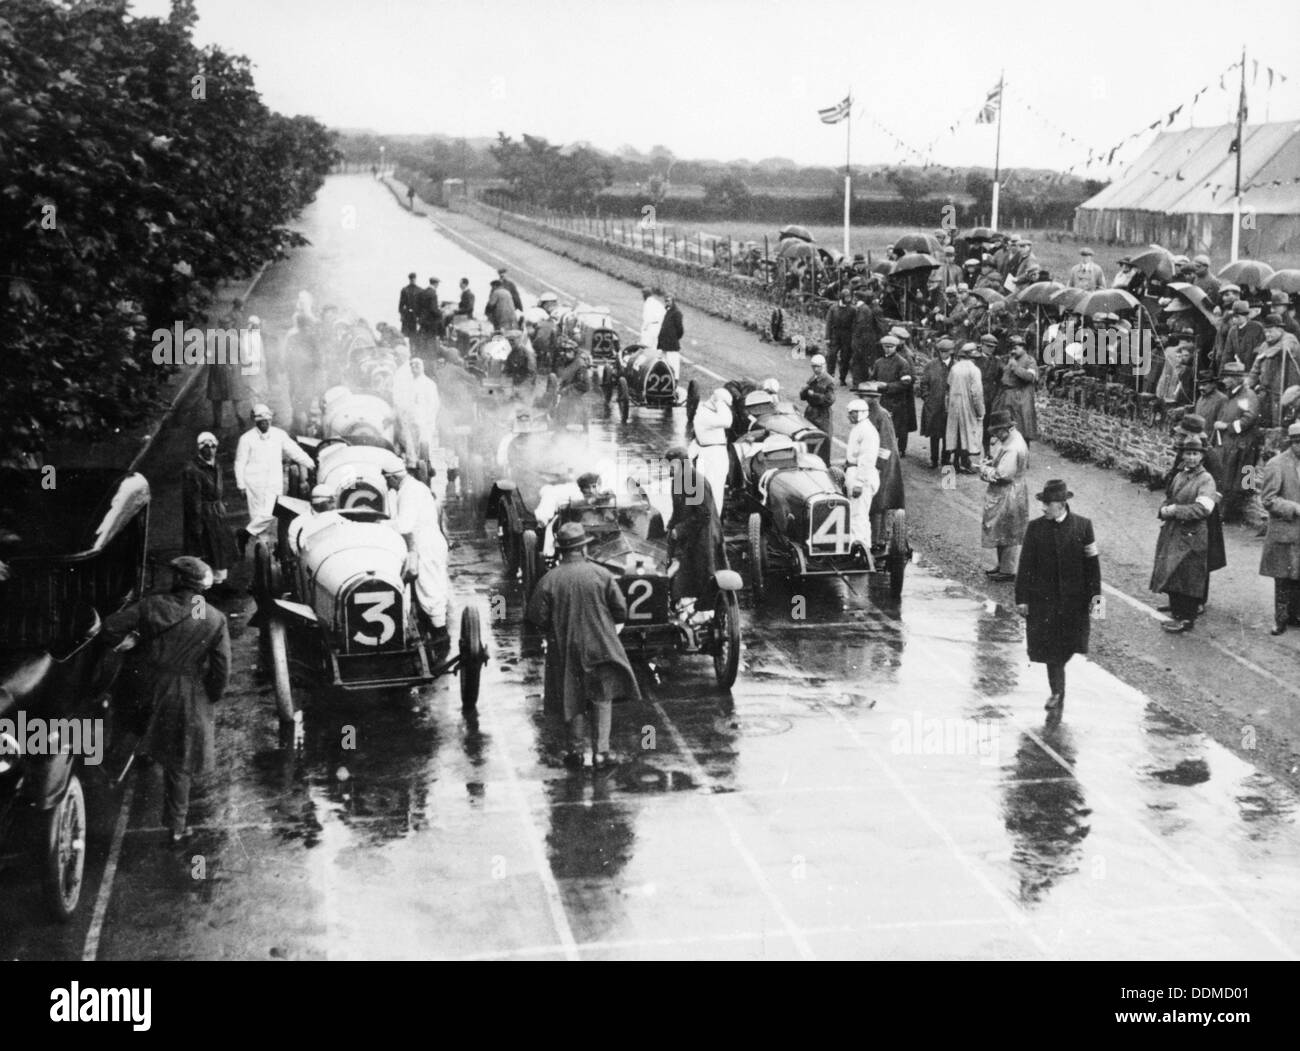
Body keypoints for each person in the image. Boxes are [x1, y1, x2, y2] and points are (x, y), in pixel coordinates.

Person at [104, 556, 230, 843]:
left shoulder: (151, 605)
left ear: (177, 581)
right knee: (179, 761)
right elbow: (222, 669)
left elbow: (110, 628)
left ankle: (110, 776)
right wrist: (209, 695)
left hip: (144, 684)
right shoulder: (213, 617)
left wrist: (133, 641)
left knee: (131, 730)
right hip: (185, 691)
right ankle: (175, 827)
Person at [527, 522, 641, 768]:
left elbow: (536, 617)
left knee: (572, 697)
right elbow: (621, 611)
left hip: (565, 648)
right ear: (584, 549)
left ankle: (575, 752)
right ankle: (601, 753)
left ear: (561, 551)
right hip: (600, 645)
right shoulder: (601, 574)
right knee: (602, 696)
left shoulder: (549, 579)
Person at [1014, 480, 1102, 713]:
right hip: (1044, 602)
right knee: (1052, 651)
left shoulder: (1083, 527)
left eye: (1048, 504)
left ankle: (1058, 683)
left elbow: (1093, 568)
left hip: (1074, 603)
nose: (1043, 508)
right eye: (1043, 503)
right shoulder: (1035, 528)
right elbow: (1025, 566)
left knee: (1070, 647)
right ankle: (1057, 691)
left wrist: (1097, 603)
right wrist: (1021, 599)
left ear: (1061, 504)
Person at [1150, 434, 1218, 633]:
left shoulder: (1206, 479)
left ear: (1202, 456)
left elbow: (1204, 509)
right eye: (1187, 453)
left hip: (1192, 534)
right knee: (1172, 570)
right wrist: (1163, 510)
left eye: (1195, 454)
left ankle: (1186, 618)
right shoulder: (1180, 475)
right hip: (1174, 530)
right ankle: (1177, 610)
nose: (1191, 458)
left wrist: (1175, 511)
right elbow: (1169, 498)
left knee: (1189, 576)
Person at [382, 454, 451, 645]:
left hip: (425, 543)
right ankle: (435, 625)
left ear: (394, 477)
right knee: (433, 584)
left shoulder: (409, 492)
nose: (388, 485)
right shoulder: (414, 487)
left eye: (388, 480)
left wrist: (381, 524)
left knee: (430, 586)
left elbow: (404, 525)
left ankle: (440, 633)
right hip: (429, 541)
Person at [233, 404, 314, 546]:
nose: (265, 423)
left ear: (271, 420)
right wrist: (241, 485)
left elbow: (294, 451)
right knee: (257, 515)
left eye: (267, 420)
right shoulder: (246, 439)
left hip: (274, 481)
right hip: (254, 483)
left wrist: (310, 463)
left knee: (272, 511)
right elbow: (239, 463)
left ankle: (246, 533)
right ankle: (262, 547)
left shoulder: (279, 434)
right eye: (261, 420)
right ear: (255, 421)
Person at [664, 446, 724, 616]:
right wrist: (669, 527)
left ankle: (704, 615)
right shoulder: (678, 480)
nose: (668, 468)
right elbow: (678, 511)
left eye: (671, 464)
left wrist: (679, 530)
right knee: (681, 573)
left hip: (703, 536)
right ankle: (681, 608)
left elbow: (703, 515)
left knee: (702, 577)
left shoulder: (694, 481)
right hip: (690, 534)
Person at [182, 433, 239, 593]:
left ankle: (220, 583)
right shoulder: (192, 470)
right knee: (206, 550)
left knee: (220, 549)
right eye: (206, 447)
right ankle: (204, 591)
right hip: (204, 515)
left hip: (217, 512)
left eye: (213, 446)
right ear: (200, 448)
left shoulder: (216, 465)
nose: (210, 450)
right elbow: (193, 501)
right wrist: (197, 525)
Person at [1259, 422, 1300, 635]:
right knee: (1283, 577)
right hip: (1285, 530)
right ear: (1292, 443)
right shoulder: (1277, 464)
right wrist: (1295, 508)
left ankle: (1296, 615)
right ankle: (1281, 619)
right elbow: (1268, 499)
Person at [980, 410, 1029, 581]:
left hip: (1008, 493)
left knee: (1008, 531)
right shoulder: (1013, 439)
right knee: (1002, 529)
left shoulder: (1012, 448)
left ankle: (1008, 570)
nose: (996, 436)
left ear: (1005, 429)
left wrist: (984, 469)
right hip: (1013, 491)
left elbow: (1003, 475)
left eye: (997, 432)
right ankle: (1003, 566)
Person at [857, 382, 904, 552]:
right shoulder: (866, 414)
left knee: (880, 502)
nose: (861, 399)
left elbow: (886, 445)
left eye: (863, 396)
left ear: (873, 398)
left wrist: (877, 467)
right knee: (873, 502)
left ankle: (880, 539)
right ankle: (874, 538)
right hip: (872, 463)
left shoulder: (882, 415)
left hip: (882, 465)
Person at [1215, 361, 1260, 523]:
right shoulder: (1232, 394)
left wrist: (1226, 426)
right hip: (1230, 444)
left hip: (1242, 445)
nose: (1224, 381)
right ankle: (1223, 512)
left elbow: (1248, 419)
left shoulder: (1248, 396)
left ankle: (1229, 514)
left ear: (1235, 379)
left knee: (1238, 481)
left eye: (1226, 377)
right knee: (1225, 477)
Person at [1249, 313, 1300, 428]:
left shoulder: (1290, 339)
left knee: (1281, 423)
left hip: (1285, 392)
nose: (1267, 334)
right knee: (1265, 422)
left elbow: (1282, 349)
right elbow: (1255, 369)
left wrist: (1267, 353)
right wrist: (1248, 385)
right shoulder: (1264, 345)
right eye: (1265, 331)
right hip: (1266, 391)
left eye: (1270, 331)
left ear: (1280, 329)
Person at [843, 399, 881, 554]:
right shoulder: (861, 428)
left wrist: (859, 482)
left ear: (860, 413)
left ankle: (860, 549)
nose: (849, 416)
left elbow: (867, 459)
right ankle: (860, 547)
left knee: (859, 515)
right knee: (856, 514)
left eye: (852, 413)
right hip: (856, 473)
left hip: (862, 477)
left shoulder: (867, 431)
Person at [869, 334, 916, 455]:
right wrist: (874, 384)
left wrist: (888, 386)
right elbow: (872, 378)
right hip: (882, 400)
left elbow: (905, 383)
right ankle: (883, 448)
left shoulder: (902, 363)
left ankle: (900, 449)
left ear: (896, 347)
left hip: (898, 401)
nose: (888, 349)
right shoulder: (878, 362)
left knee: (899, 427)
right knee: (882, 425)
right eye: (885, 346)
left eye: (891, 346)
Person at [689, 387, 732, 516]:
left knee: (712, 491)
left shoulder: (706, 412)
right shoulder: (705, 414)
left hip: (712, 454)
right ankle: (712, 522)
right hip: (713, 456)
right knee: (715, 491)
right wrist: (719, 401)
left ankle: (710, 520)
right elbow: (727, 421)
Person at [944, 342, 985, 474]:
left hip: (953, 405)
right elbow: (977, 393)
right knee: (967, 434)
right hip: (968, 406)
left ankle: (956, 461)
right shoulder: (974, 370)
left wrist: (947, 406)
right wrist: (980, 411)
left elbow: (948, 387)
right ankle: (964, 462)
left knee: (955, 433)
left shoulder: (954, 368)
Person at [992, 337, 1039, 445]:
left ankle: (1023, 458)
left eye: (1015, 348)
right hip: (1007, 398)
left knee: (1022, 431)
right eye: (1010, 349)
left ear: (1023, 347)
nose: (1012, 351)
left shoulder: (1029, 360)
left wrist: (1016, 368)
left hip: (1021, 399)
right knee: (1007, 430)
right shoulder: (1011, 359)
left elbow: (1030, 377)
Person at [207, 298, 244, 432]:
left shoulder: (213, 337)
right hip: (232, 368)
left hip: (217, 369)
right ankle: (238, 414)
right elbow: (241, 353)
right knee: (236, 394)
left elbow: (208, 354)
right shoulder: (235, 338)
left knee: (216, 397)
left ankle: (217, 421)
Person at [918, 337, 953, 468]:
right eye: (941, 351)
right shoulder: (931, 365)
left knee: (948, 434)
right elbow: (924, 384)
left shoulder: (955, 366)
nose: (943, 354)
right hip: (934, 405)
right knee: (934, 433)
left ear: (951, 352)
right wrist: (927, 398)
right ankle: (934, 459)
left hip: (950, 406)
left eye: (946, 351)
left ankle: (946, 459)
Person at [799, 355, 836, 463]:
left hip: (822, 414)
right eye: (813, 366)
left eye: (818, 366)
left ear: (823, 366)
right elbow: (802, 397)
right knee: (808, 439)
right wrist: (804, 392)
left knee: (824, 441)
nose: (815, 369)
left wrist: (814, 395)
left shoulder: (829, 381)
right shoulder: (812, 379)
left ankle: (824, 465)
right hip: (811, 413)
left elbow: (829, 400)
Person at [1216, 300, 1265, 375]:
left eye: (1237, 316)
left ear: (1246, 316)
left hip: (1254, 370)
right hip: (1238, 372)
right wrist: (1221, 373)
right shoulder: (1232, 331)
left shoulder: (1257, 328)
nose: (1234, 319)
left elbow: (1261, 351)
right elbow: (1227, 353)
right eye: (1233, 317)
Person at [658, 293, 684, 379]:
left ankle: (675, 379)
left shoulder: (677, 313)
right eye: (666, 301)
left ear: (673, 301)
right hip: (664, 344)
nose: (667, 302)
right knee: (664, 362)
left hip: (672, 344)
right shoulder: (668, 311)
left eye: (668, 301)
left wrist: (674, 338)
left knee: (673, 363)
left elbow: (680, 330)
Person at [416, 276, 444, 361]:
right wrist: (441, 313)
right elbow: (433, 309)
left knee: (423, 340)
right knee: (431, 340)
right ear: (435, 284)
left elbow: (418, 307)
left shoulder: (423, 292)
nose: (438, 285)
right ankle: (431, 358)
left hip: (423, 320)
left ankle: (422, 357)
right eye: (438, 284)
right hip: (431, 322)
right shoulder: (433, 293)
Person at [399, 273, 421, 341]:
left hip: (416, 315)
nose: (413, 280)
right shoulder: (405, 290)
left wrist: (420, 316)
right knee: (407, 335)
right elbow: (401, 304)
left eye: (414, 278)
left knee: (415, 334)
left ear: (416, 279)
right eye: (411, 279)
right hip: (407, 315)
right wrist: (402, 315)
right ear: (409, 279)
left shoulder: (420, 290)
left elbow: (422, 305)